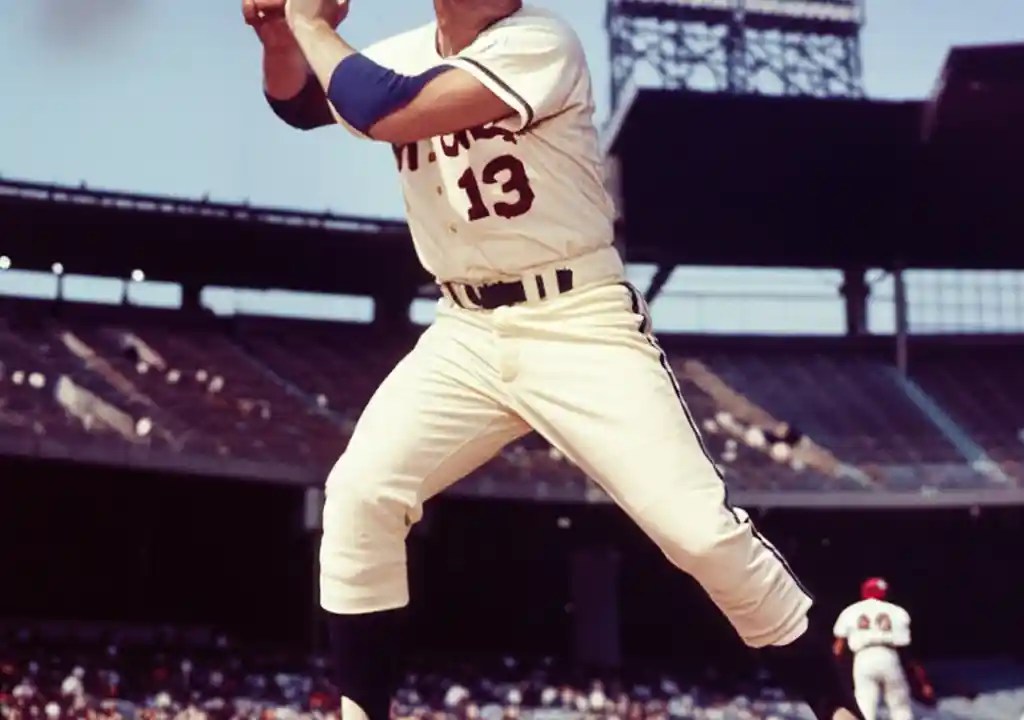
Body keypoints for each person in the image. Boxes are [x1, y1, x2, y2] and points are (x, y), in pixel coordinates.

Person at [239, 1, 862, 719]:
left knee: (700, 533)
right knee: (360, 494)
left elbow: (382, 108)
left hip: (576, 319)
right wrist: (279, 35)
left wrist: (313, 25)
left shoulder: (539, 42)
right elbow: (300, 104)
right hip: (463, 329)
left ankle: (835, 705)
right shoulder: (404, 50)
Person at [833, 578, 913, 720]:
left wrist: (836, 668)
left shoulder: (852, 610)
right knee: (899, 704)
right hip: (888, 654)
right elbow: (905, 646)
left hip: (863, 656)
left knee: (865, 702)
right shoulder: (897, 611)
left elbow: (838, 647)